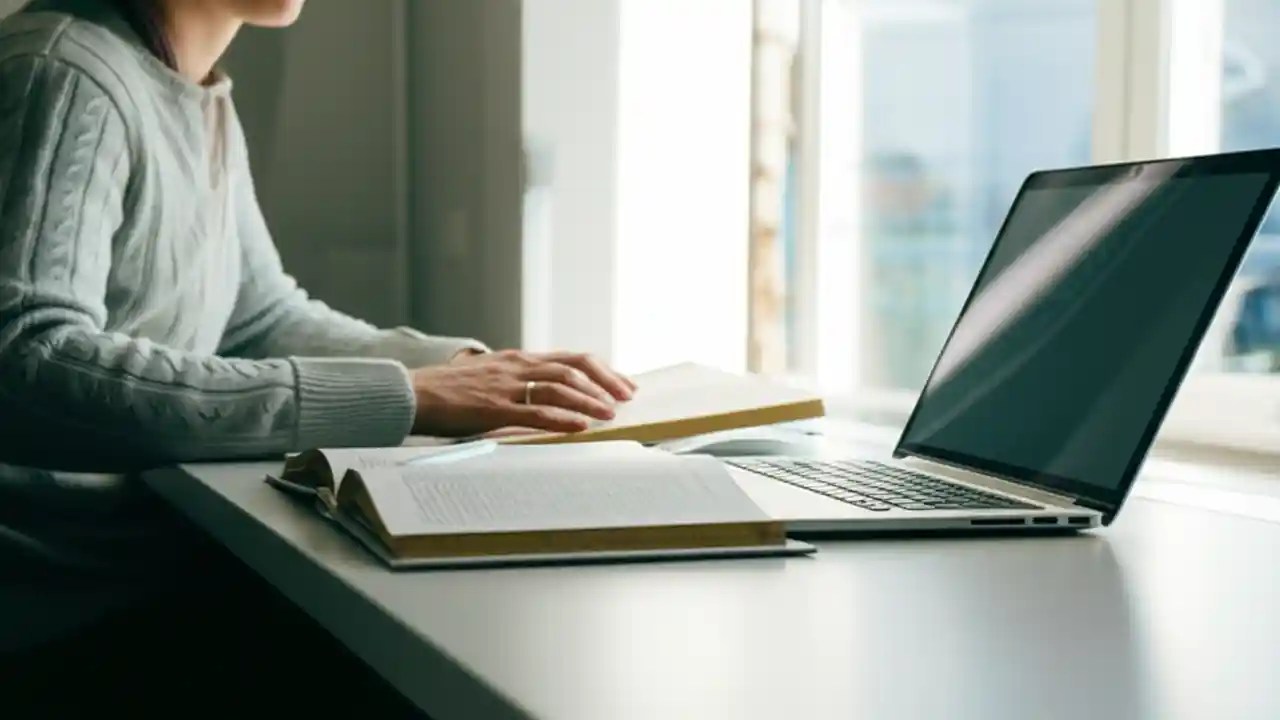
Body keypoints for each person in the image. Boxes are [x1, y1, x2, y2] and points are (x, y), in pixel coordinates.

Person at [0, 0, 635, 714]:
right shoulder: (63, 70)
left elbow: (259, 319)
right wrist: (410, 397)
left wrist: (459, 369)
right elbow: (26, 361)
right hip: (58, 616)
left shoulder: (193, 88)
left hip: (144, 576)